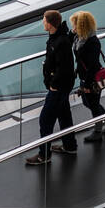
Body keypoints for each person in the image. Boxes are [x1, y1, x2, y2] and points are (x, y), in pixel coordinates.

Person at [25, 9, 77, 164]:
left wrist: (53, 85)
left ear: (50, 23)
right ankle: (70, 145)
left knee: (45, 120)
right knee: (64, 115)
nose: (43, 22)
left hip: (59, 88)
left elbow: (64, 67)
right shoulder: (58, 38)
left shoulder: (60, 42)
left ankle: (44, 155)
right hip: (62, 86)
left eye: (44, 20)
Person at [70, 10, 105, 142]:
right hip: (84, 76)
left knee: (93, 103)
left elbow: (91, 65)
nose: (72, 27)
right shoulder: (79, 38)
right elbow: (80, 59)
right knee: (89, 102)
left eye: (75, 24)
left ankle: (98, 130)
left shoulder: (92, 42)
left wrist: (86, 84)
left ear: (81, 26)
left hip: (91, 78)